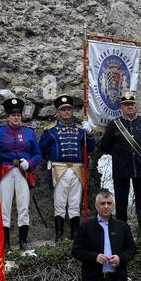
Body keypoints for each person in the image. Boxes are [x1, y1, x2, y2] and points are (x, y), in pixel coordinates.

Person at [96, 92, 141, 230]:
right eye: (126, 105)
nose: (129, 106)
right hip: (121, 168)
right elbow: (105, 145)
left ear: (135, 105)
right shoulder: (114, 125)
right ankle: (122, 231)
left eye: (131, 104)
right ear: (121, 107)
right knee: (121, 202)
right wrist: (120, 154)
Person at [40, 95, 94, 242]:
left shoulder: (80, 129)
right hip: (59, 169)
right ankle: (59, 235)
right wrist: (51, 161)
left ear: (72, 111)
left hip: (77, 168)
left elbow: (90, 148)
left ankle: (75, 234)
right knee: (60, 203)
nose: (66, 112)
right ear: (58, 112)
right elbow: (43, 149)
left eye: (69, 109)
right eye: (63, 110)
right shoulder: (50, 130)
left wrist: (89, 133)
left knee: (75, 203)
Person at [0, 95, 41, 251]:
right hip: (5, 171)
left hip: (23, 172)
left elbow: (38, 154)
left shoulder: (29, 133)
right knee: (4, 208)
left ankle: (22, 242)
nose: (16, 117)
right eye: (13, 115)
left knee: (23, 207)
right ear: (8, 117)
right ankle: (5, 244)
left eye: (18, 115)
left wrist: (30, 163)